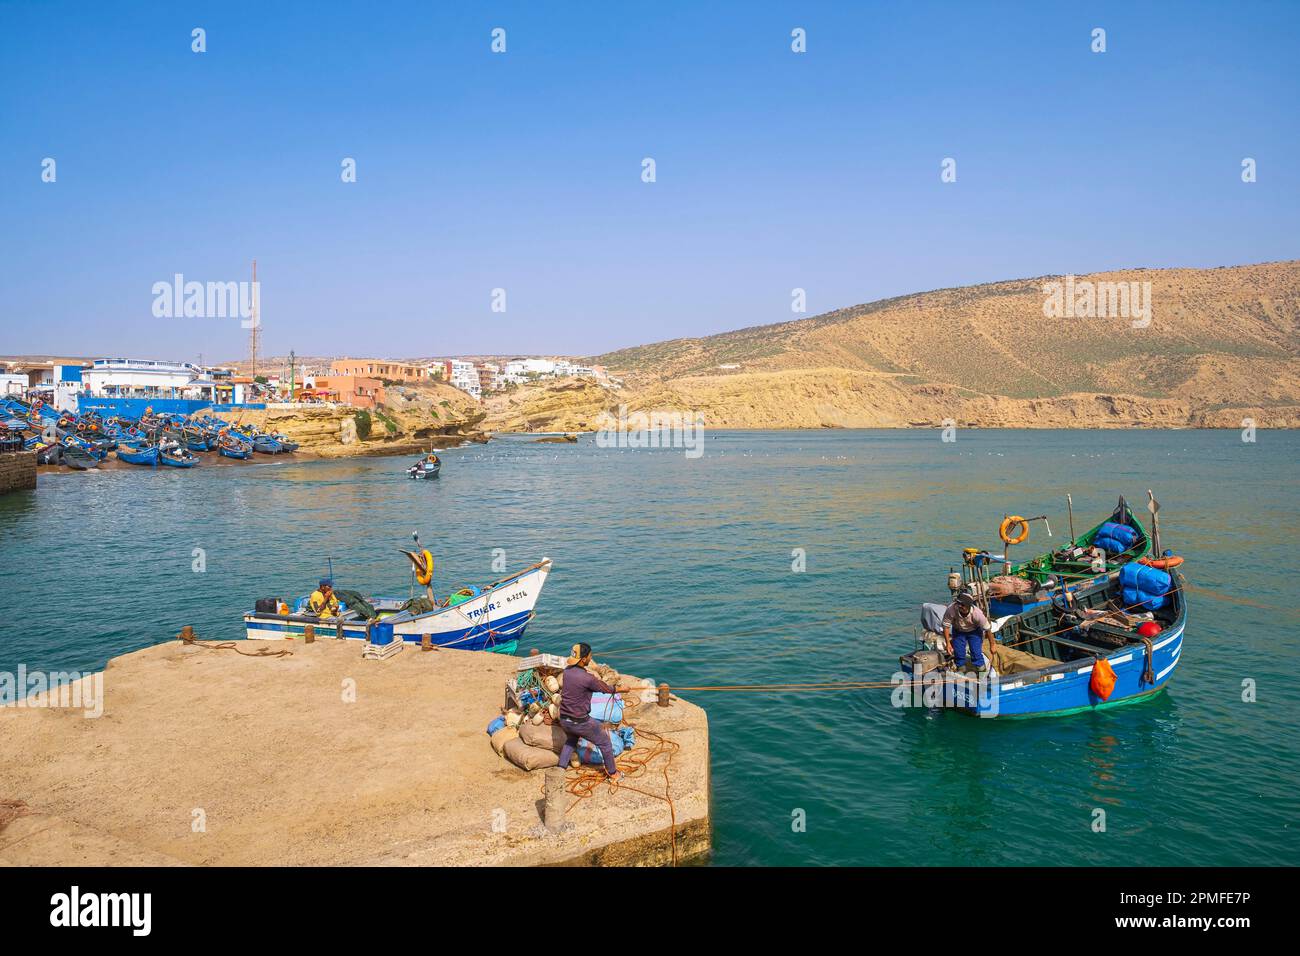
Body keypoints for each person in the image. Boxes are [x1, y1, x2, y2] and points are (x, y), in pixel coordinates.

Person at [556, 643, 623, 782]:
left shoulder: (567, 671)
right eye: (589, 656)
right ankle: (613, 773)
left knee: (571, 740)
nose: (591, 658)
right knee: (605, 742)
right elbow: (605, 688)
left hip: (564, 719)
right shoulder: (588, 678)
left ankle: (560, 769)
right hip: (580, 722)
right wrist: (621, 689)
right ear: (583, 659)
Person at [943, 591, 993, 672]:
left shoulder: (977, 614)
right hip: (958, 631)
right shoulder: (951, 609)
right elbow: (946, 626)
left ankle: (982, 672)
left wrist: (992, 645)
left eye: (963, 605)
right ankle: (961, 671)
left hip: (974, 631)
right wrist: (948, 643)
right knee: (958, 653)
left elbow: (988, 629)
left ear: (969, 606)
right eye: (958, 603)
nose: (960, 606)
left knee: (976, 653)